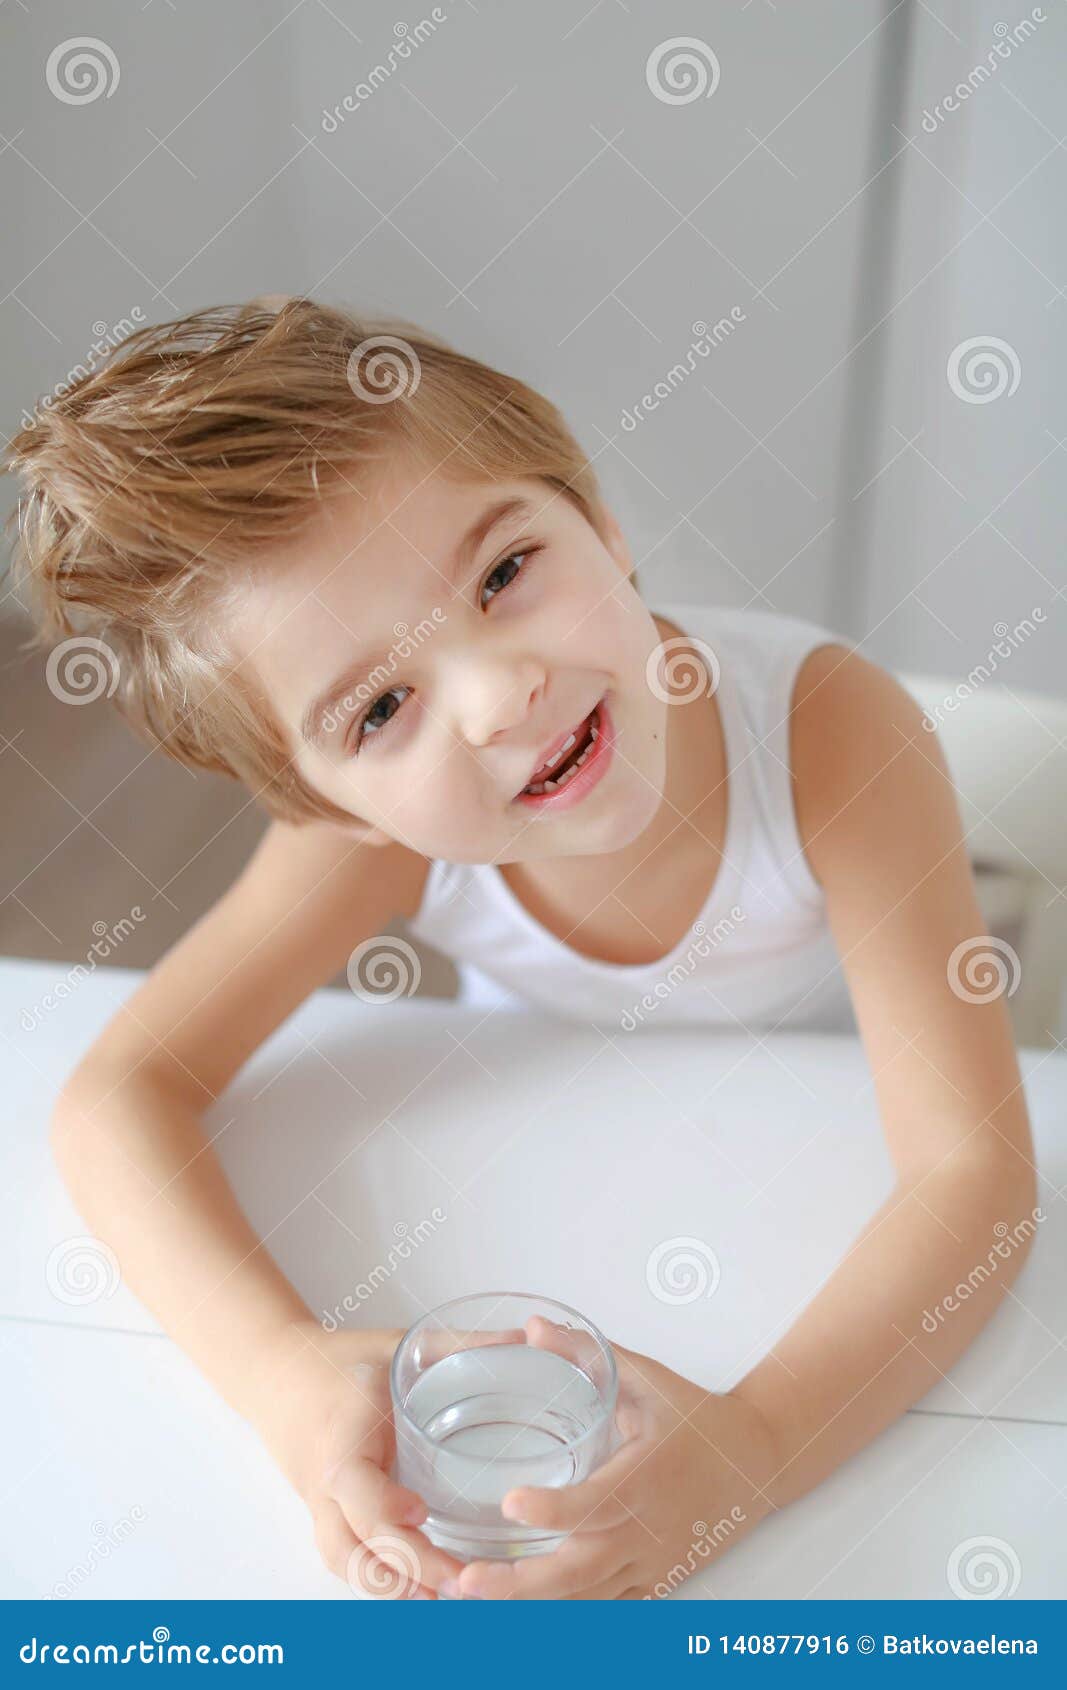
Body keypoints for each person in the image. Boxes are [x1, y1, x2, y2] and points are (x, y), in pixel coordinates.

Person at [3, 297, 1036, 1601]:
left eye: (503, 572)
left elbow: (974, 1177)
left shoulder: (835, 735)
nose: (501, 696)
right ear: (329, 803)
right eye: (382, 706)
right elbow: (116, 1095)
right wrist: (277, 1371)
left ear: (598, 519)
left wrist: (752, 1449)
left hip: (822, 1141)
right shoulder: (372, 841)